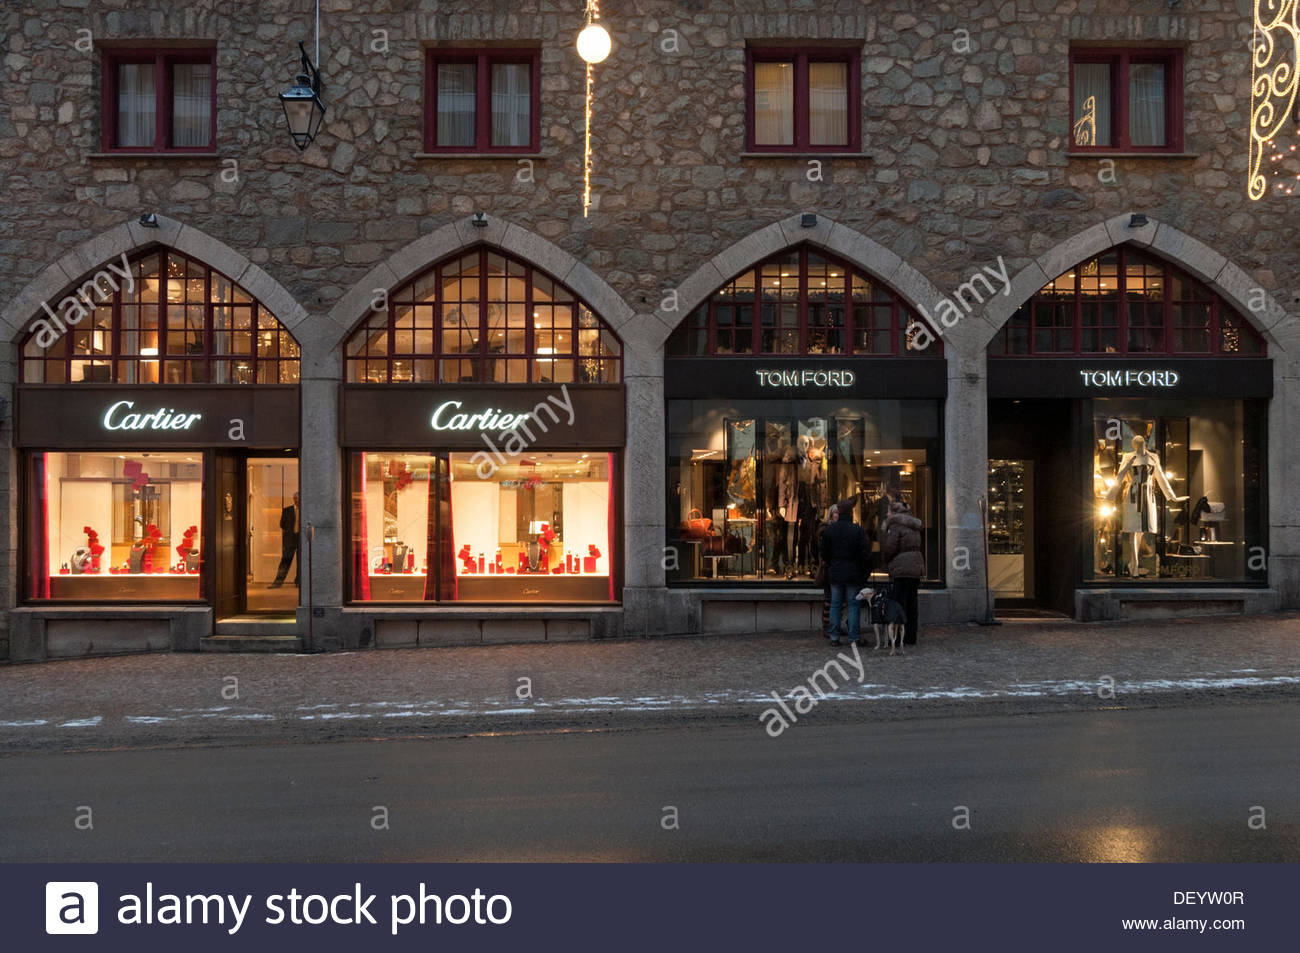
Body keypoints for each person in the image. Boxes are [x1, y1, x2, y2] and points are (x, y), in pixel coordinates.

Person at [820, 498, 870, 647]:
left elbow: (824, 553)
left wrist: (831, 563)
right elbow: (865, 553)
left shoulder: (830, 531)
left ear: (838, 511)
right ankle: (854, 637)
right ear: (851, 511)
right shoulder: (857, 530)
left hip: (836, 571)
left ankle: (834, 636)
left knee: (835, 604)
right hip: (852, 572)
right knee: (853, 605)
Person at [881, 500, 924, 645]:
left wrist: (886, 561)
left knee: (899, 603)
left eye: (888, 511)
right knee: (912, 604)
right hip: (915, 566)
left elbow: (890, 547)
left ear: (894, 512)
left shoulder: (895, 525)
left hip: (901, 568)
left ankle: (899, 637)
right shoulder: (914, 525)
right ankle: (911, 636)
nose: (887, 514)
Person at [270, 491, 300, 588]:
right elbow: (282, 524)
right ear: (293, 499)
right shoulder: (287, 510)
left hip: (301, 540)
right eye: (295, 498)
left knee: (301, 562)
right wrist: (290, 533)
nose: (297, 500)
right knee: (285, 561)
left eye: (299, 498)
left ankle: (299, 582)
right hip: (290, 540)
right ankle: (278, 582)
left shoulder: (306, 510)